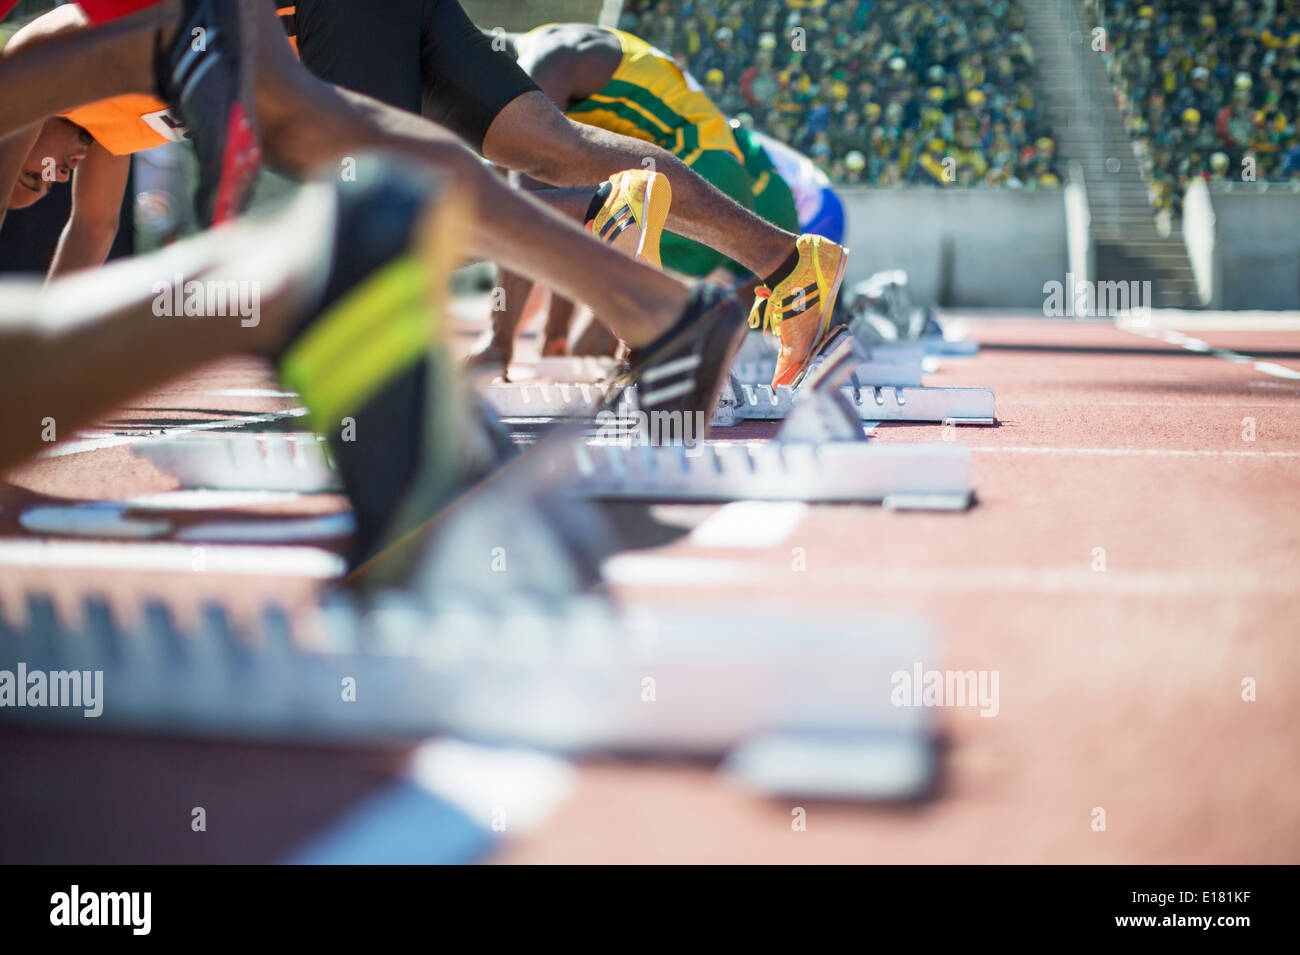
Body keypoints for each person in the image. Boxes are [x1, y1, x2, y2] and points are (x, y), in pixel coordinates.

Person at [483, 22, 850, 390]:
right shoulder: (582, 50)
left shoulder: (543, 60)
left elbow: (528, 208)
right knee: (597, 233)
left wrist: (499, 345)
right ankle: (700, 335)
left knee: (588, 219)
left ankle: (680, 338)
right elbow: (568, 203)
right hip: (722, 185)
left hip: (706, 180)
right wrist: (554, 339)